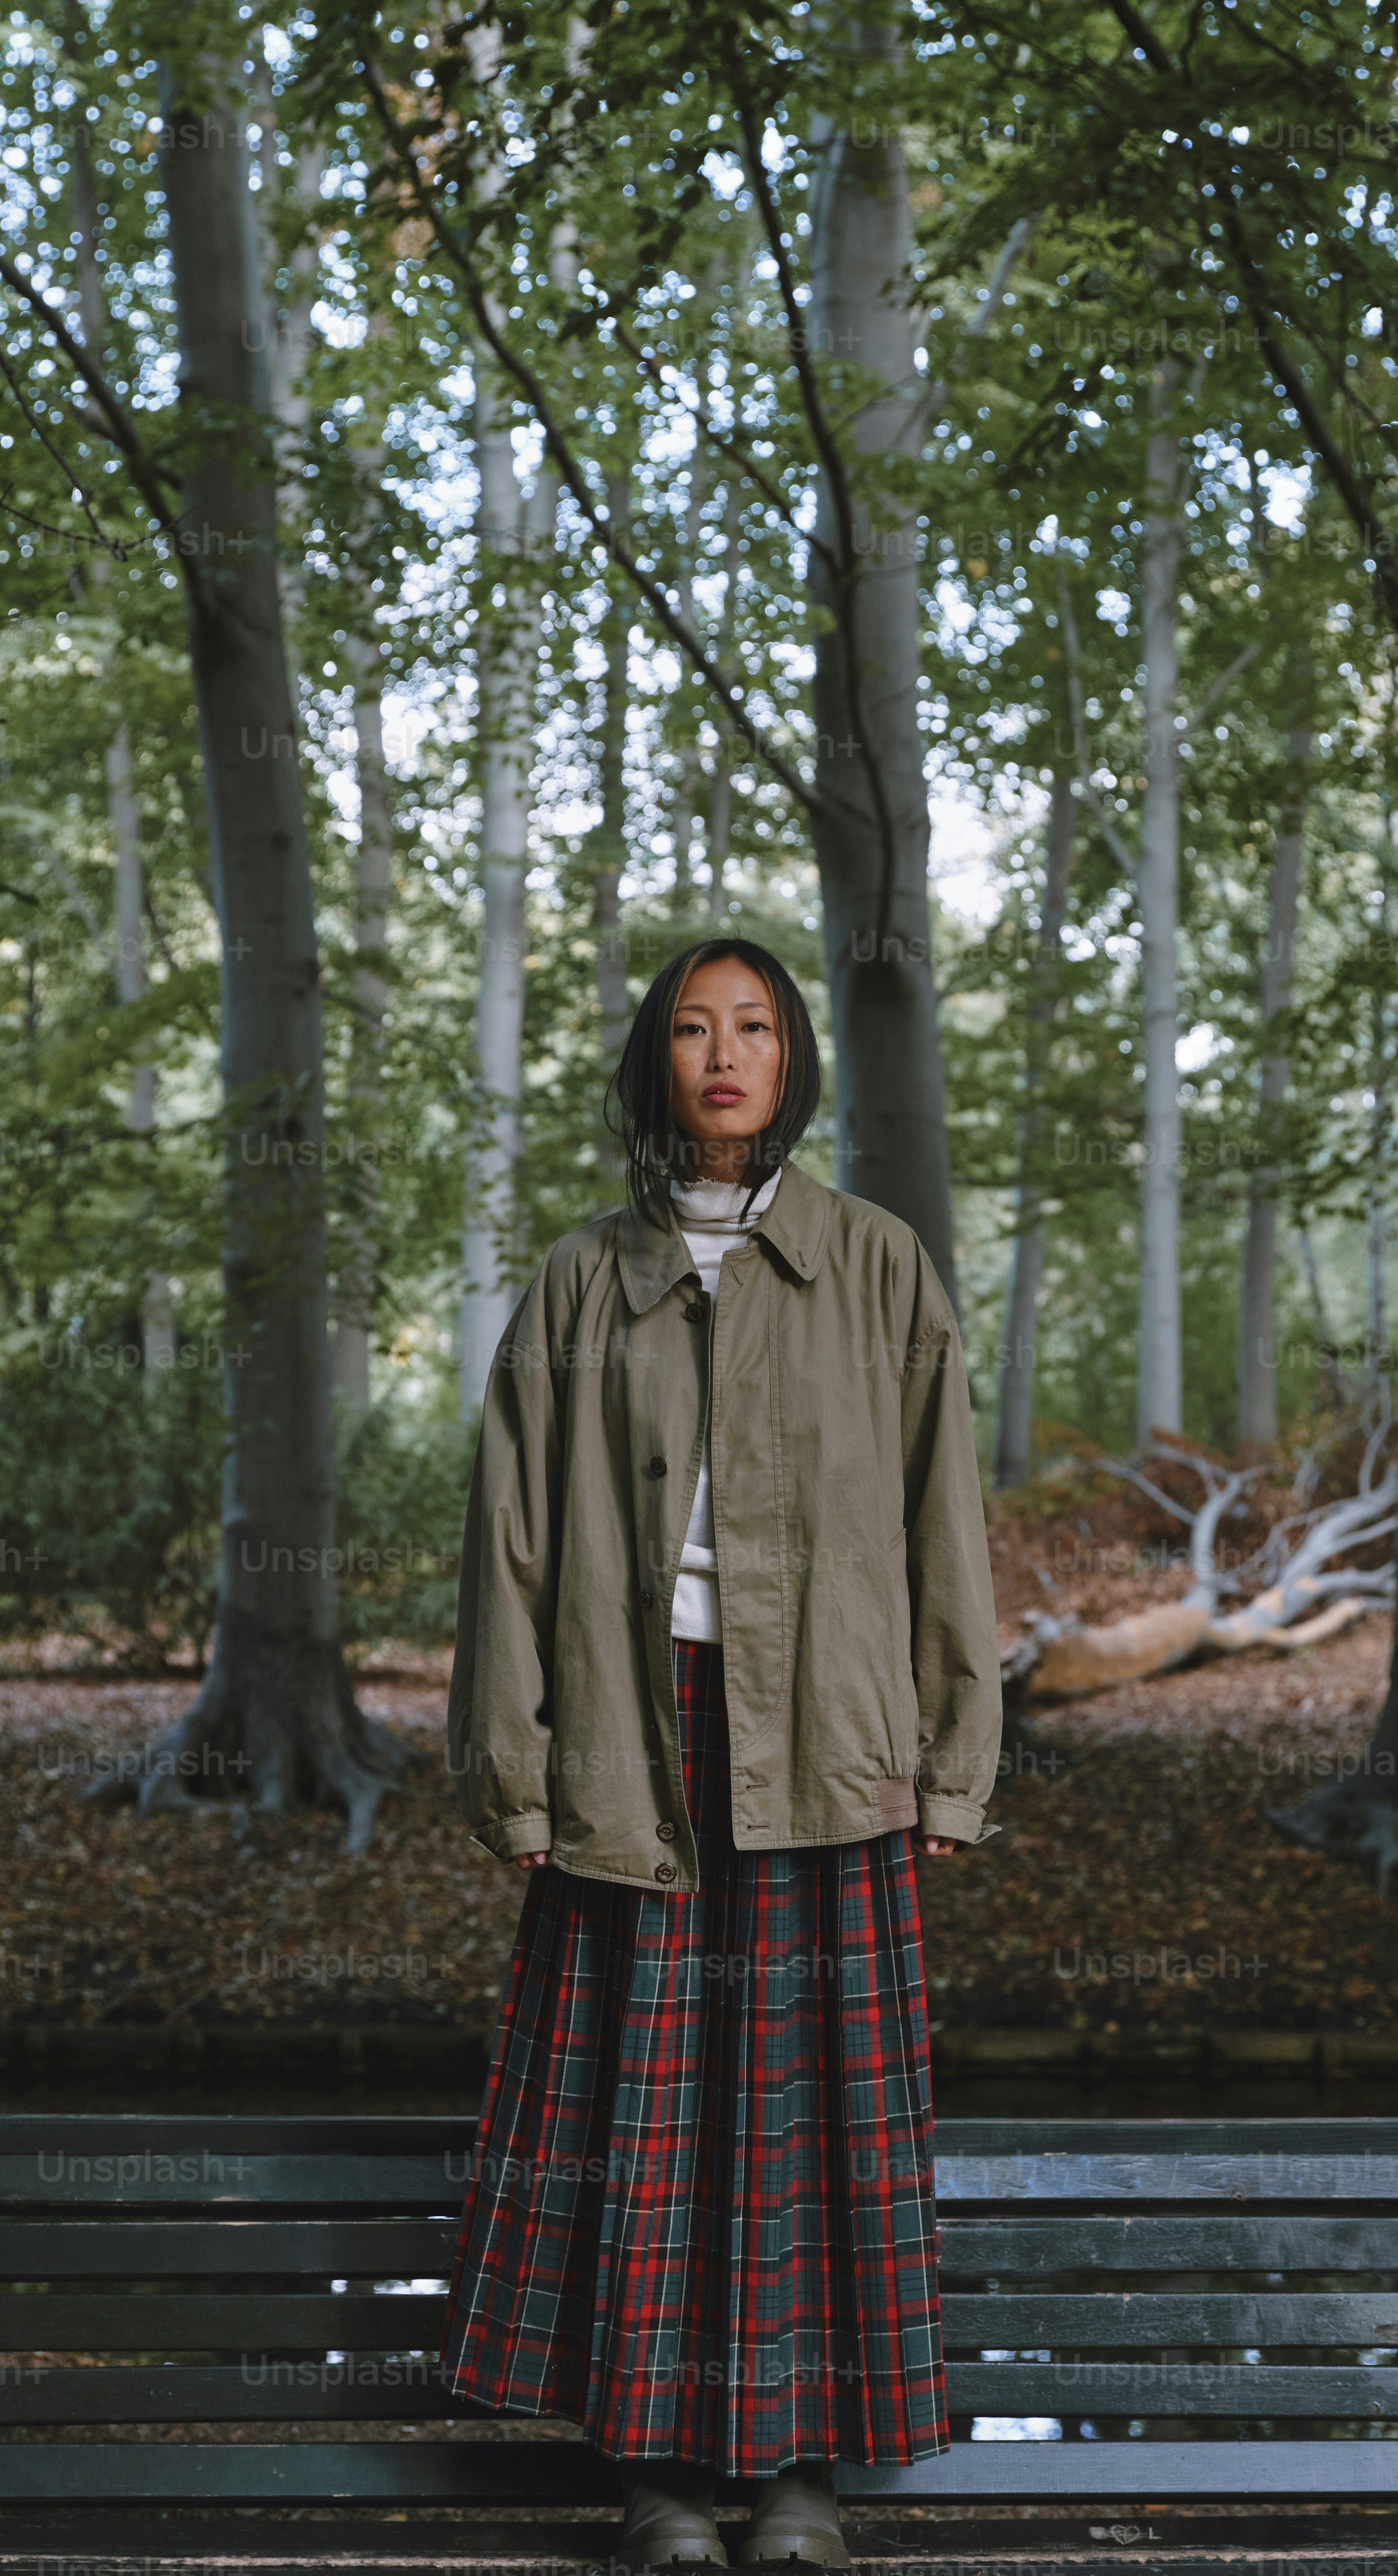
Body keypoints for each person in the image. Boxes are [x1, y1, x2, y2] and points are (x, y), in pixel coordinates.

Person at [442, 936, 1002, 2576]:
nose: (723, 1054)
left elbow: (943, 1530)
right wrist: (515, 1769)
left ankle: (804, 2480)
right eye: (690, 1028)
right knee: (651, 2119)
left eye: (753, 1026)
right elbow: (511, 1545)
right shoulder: (577, 1280)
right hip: (636, 1738)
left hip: (826, 1743)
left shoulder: (879, 1267)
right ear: (654, 1065)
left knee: (811, 2122)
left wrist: (953, 1757)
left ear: (792, 1060)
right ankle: (659, 2479)